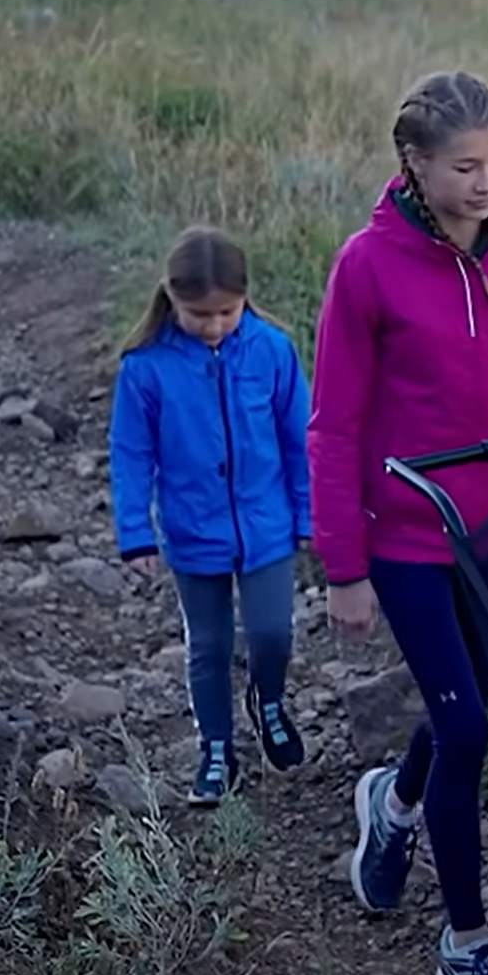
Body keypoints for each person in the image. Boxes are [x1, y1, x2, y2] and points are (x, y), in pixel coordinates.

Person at [308, 69, 488, 975]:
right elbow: (335, 424)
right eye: (464, 166)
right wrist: (343, 566)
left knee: (474, 704)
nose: (486, 182)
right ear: (413, 166)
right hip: (408, 536)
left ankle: (393, 801)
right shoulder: (367, 268)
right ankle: (465, 944)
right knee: (464, 725)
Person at [108, 226, 312, 807]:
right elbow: (130, 455)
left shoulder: (272, 349)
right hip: (193, 533)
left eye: (227, 311)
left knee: (273, 631)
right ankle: (216, 747)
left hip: (267, 527)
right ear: (171, 299)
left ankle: (268, 699)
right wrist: (135, 534)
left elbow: (300, 439)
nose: (215, 325)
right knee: (209, 645)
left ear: (245, 297)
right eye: (200, 314)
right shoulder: (145, 368)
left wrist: (307, 514)